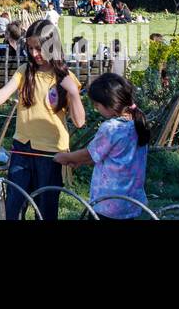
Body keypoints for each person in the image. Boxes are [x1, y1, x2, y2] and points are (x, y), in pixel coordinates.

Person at [0, 18, 85, 221]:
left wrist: (73, 92)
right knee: (13, 207)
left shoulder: (65, 77)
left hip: (52, 154)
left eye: (39, 48)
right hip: (22, 149)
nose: (35, 54)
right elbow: (4, 92)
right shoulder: (24, 72)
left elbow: (79, 122)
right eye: (30, 48)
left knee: (45, 211)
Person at [54, 72, 149, 220]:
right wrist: (80, 162)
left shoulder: (111, 128)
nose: (95, 108)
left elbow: (90, 154)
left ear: (111, 104)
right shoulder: (137, 121)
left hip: (108, 204)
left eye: (97, 105)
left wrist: (65, 157)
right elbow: (108, 155)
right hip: (131, 201)